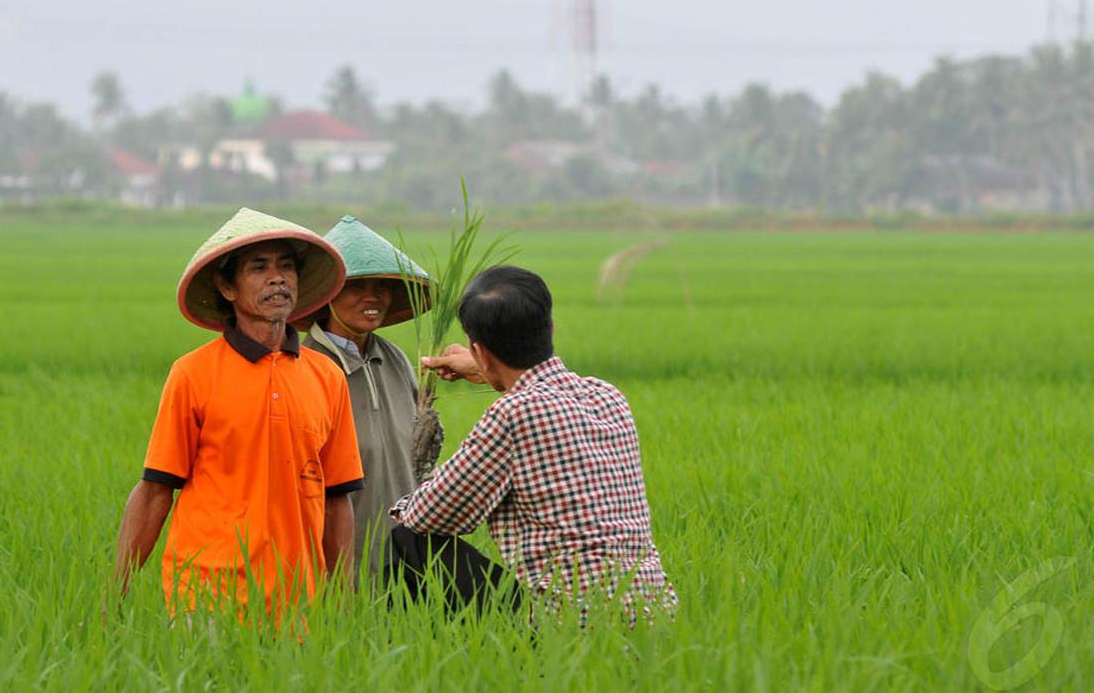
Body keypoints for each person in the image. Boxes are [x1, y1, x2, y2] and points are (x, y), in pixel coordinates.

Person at [112, 207, 364, 614]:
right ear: (227, 287)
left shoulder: (327, 377)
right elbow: (156, 489)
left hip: (297, 603)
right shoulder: (193, 374)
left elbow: (337, 498)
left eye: (286, 266)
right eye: (259, 268)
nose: (277, 278)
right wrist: (114, 595)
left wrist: (343, 598)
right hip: (207, 595)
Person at [390, 265, 676, 624]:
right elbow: (543, 394)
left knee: (411, 539)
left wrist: (404, 502)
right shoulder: (608, 396)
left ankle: (411, 643)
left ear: (480, 351)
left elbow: (430, 515)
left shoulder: (513, 414)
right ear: (550, 328)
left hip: (572, 622)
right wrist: (487, 369)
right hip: (654, 612)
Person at [296, 216, 436, 577]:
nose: (372, 297)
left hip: (407, 554)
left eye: (381, 286)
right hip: (337, 558)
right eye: (356, 286)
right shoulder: (304, 368)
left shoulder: (396, 360)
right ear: (327, 294)